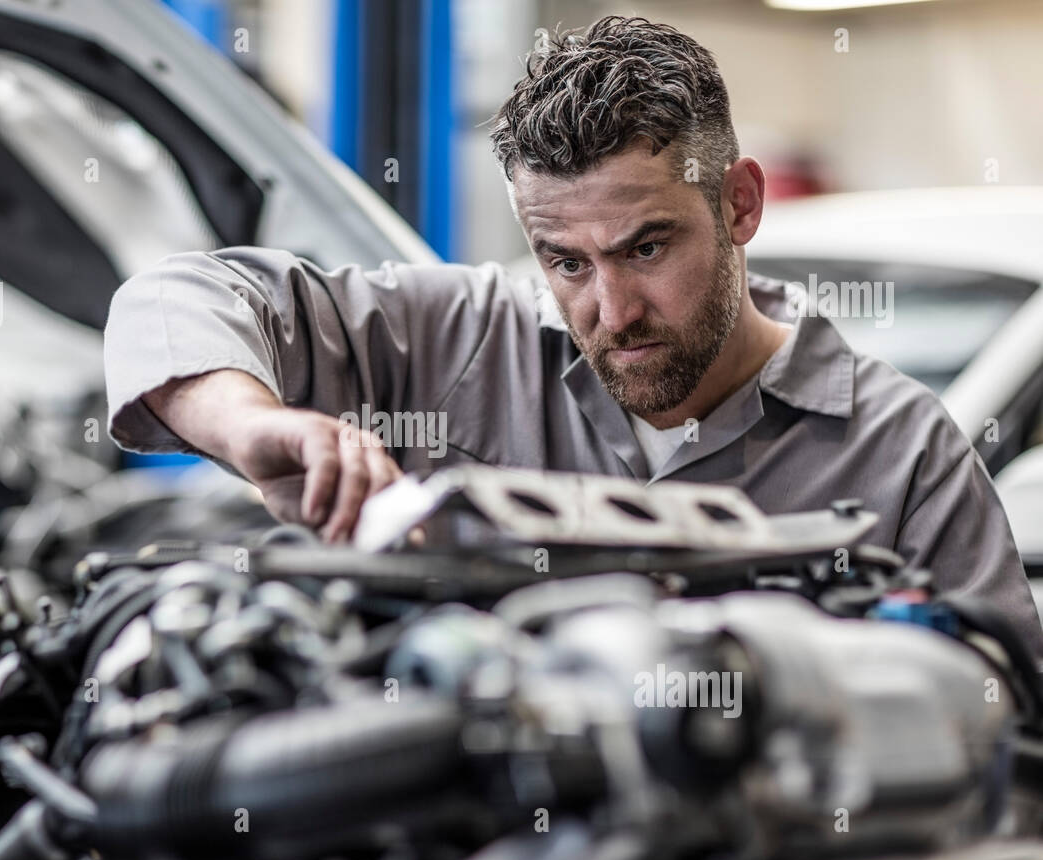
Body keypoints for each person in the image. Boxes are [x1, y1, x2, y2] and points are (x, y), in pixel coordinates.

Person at [102, 15, 1043, 655]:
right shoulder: (459, 339)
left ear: (741, 203)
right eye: (567, 261)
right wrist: (252, 424)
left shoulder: (903, 455)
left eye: (647, 246)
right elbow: (179, 297)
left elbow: (1010, 736)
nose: (613, 308)